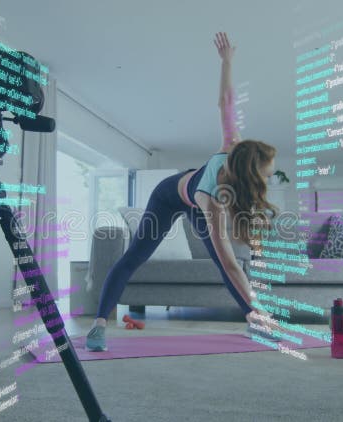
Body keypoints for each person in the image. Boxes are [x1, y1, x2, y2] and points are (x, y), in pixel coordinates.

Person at [87, 32, 281, 352]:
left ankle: (253, 324)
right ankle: (98, 325)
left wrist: (228, 62)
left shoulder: (234, 149)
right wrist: (261, 308)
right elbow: (233, 265)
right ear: (251, 175)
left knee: (221, 264)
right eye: (268, 171)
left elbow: (227, 102)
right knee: (135, 255)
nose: (270, 176)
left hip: (194, 197)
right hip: (168, 196)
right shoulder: (214, 201)